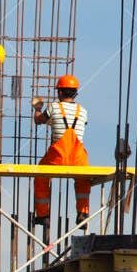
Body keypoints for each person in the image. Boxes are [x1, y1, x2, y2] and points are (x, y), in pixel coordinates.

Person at [30, 74, 91, 232]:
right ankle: (83, 213)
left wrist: (37, 108)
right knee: (83, 180)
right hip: (78, 158)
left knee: (41, 175)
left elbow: (39, 120)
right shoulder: (83, 111)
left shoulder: (54, 107)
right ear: (75, 93)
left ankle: (43, 215)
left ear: (60, 92)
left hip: (57, 156)